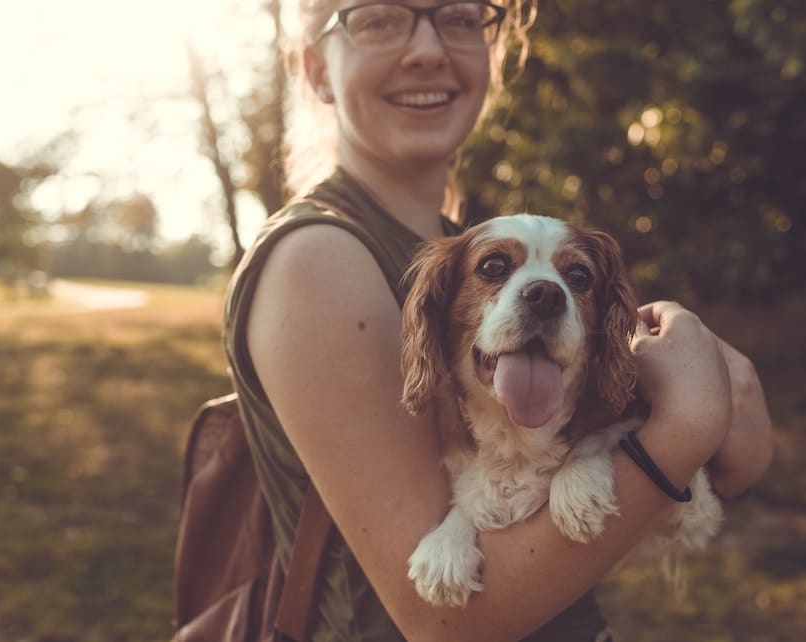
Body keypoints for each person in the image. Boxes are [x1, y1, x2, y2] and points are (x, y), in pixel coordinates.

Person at [223, 1, 773, 640]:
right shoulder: (318, 258)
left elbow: (676, 480)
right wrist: (689, 426)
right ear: (315, 68)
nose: (428, 49)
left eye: (458, 17)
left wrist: (732, 435)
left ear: (494, 55)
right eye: (377, 18)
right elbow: (441, 619)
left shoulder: (472, 246)